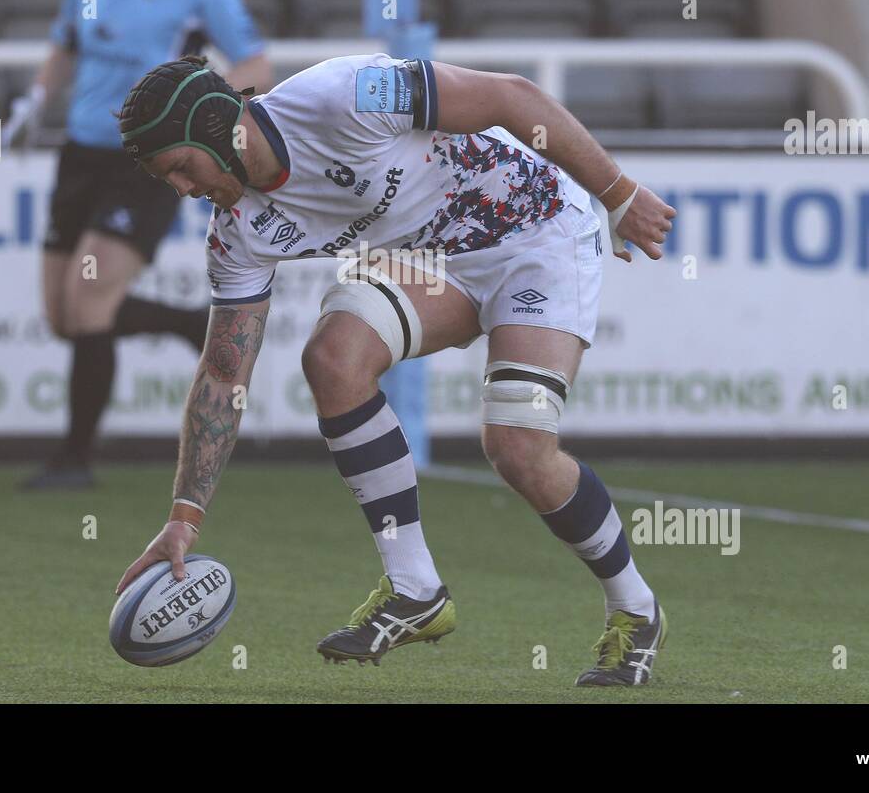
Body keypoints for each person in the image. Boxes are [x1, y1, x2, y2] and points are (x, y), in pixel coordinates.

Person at [113, 51, 678, 687]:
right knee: (332, 359)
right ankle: (416, 589)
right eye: (170, 181)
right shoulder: (237, 232)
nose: (184, 190)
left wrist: (620, 195)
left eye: (182, 169)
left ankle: (635, 605)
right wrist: (183, 518)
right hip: (432, 261)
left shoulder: (344, 95)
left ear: (221, 129)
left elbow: (512, 96)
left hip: (539, 232)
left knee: (518, 450)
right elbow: (222, 377)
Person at [8, 0, 271, 490]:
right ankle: (186, 322)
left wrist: (209, 126)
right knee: (61, 314)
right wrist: (36, 98)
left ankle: (74, 460)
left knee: (90, 301)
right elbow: (65, 42)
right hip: (79, 153)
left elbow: (256, 64)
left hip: (143, 163)